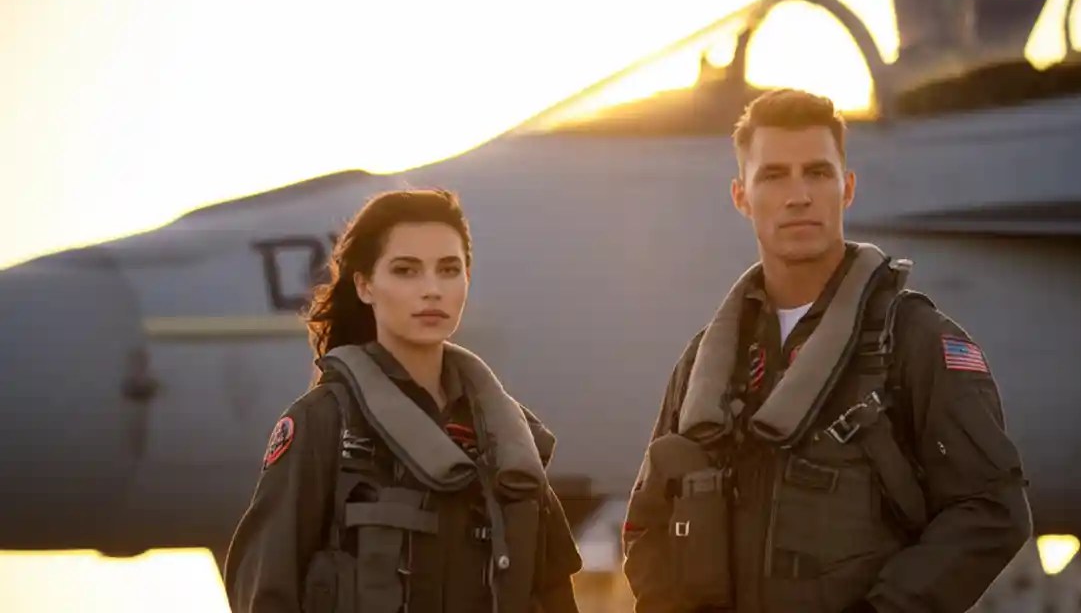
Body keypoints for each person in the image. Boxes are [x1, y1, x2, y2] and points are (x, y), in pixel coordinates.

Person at [621, 89, 1032, 613]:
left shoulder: (911, 340)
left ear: (847, 188)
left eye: (817, 173)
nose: (798, 196)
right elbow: (647, 523)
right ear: (741, 196)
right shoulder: (706, 363)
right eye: (774, 176)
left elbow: (993, 508)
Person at [224, 189, 582, 613]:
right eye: (406, 270)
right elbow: (264, 588)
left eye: (449, 270)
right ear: (365, 286)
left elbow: (554, 593)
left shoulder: (507, 435)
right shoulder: (325, 423)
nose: (432, 290)